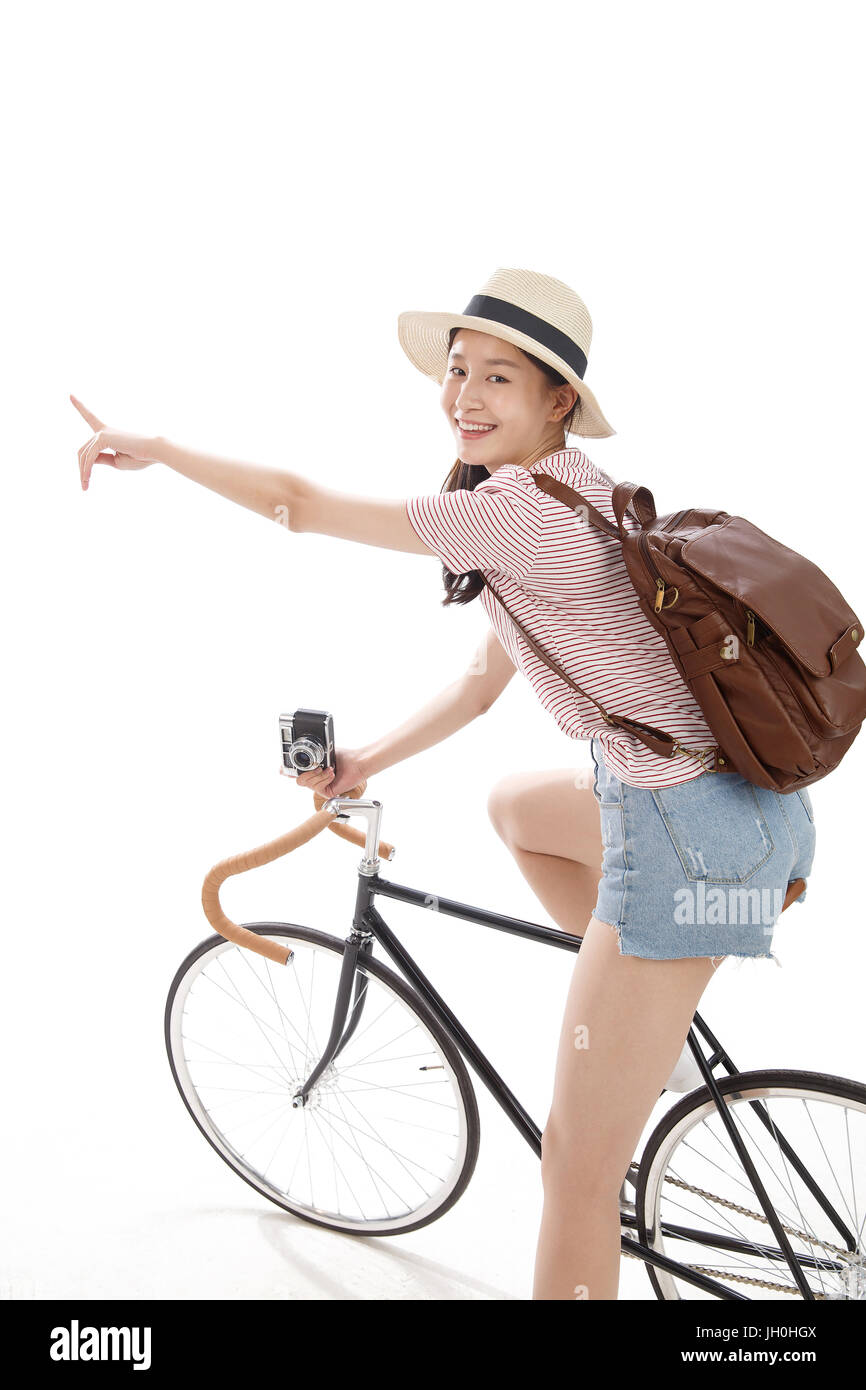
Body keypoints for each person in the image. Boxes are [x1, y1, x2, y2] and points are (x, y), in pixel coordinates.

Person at [72, 266, 816, 1301]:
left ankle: (629, 1054)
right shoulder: (590, 494)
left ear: (557, 399)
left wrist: (159, 447)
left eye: (497, 378)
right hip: (758, 823)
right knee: (517, 805)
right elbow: (479, 683)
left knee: (574, 1171)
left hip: (688, 840)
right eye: (457, 370)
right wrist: (369, 757)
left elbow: (295, 504)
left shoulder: (512, 512)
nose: (463, 395)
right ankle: (651, 1044)